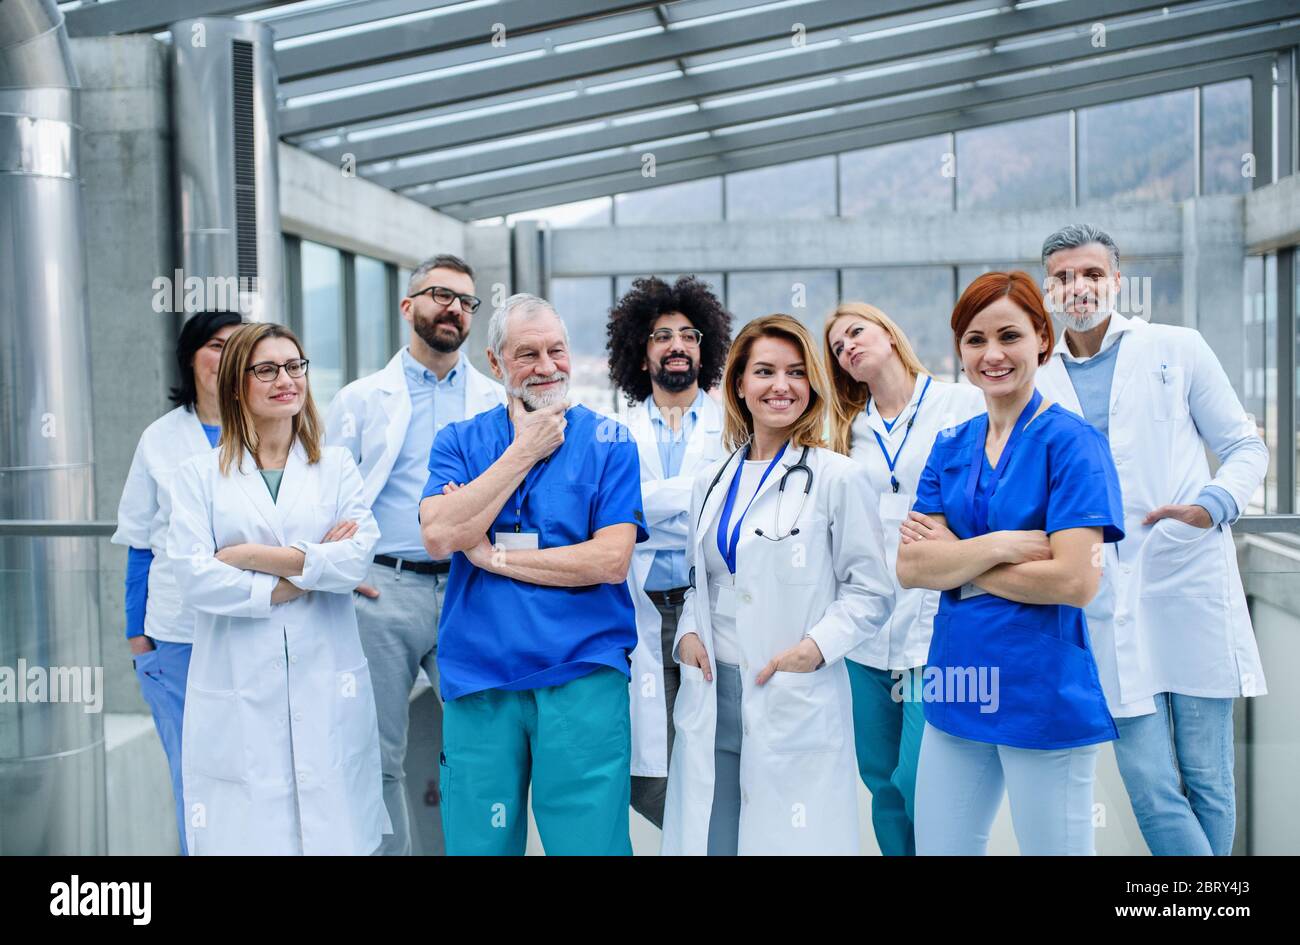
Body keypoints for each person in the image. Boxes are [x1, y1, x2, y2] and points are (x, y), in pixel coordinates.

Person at [1035, 223, 1268, 856]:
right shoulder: (1037, 375)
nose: (1076, 287)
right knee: (1149, 781)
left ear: (1116, 279)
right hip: (1100, 594)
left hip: (1185, 573)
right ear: (1047, 289)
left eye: (1090, 274)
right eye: (1061, 277)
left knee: (1208, 779)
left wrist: (1210, 506)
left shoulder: (1176, 347)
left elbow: (1245, 445)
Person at [897, 270, 1124, 856]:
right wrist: (1000, 545)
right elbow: (911, 567)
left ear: (1041, 340)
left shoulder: (1072, 444)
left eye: (1009, 336)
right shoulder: (950, 445)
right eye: (974, 340)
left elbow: (1075, 580)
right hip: (956, 682)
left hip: (1040, 688)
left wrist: (957, 561)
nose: (991, 354)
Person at [419, 293, 646, 856]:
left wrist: (493, 556)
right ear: (496, 364)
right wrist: (522, 452)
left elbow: (608, 560)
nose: (547, 367)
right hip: (481, 679)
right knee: (480, 845)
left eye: (557, 351)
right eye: (527, 354)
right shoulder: (460, 442)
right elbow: (440, 535)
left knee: (589, 846)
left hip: (581, 677)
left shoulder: (610, 442)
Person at [661, 314, 894, 856]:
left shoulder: (838, 476)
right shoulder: (710, 480)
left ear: (812, 384)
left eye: (795, 372)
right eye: (764, 371)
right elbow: (701, 579)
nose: (780, 386)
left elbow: (871, 591)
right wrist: (688, 634)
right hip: (713, 686)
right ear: (739, 384)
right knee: (712, 838)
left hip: (788, 687)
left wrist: (814, 651)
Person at [166, 323, 387, 855]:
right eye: (266, 369)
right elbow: (194, 576)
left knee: (333, 822)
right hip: (237, 679)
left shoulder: (335, 467)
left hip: (325, 673)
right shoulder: (198, 476)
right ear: (237, 384)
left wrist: (245, 558)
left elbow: (357, 553)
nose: (286, 379)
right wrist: (304, 575)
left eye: (295, 366)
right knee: (249, 831)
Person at [325, 253, 504, 855]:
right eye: (439, 295)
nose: (454, 309)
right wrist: (344, 575)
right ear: (409, 307)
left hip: (468, 590)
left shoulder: (495, 400)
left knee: (482, 751)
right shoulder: (358, 400)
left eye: (466, 301)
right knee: (376, 756)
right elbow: (325, 497)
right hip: (383, 593)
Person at [823, 302, 985, 856]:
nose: (847, 347)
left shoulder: (961, 404)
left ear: (890, 333)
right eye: (838, 348)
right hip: (866, 631)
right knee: (882, 780)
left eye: (855, 333)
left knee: (923, 780)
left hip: (937, 625)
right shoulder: (845, 431)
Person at [111, 310, 241, 855]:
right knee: (194, 776)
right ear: (191, 357)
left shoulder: (269, 428)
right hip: (176, 635)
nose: (227, 358)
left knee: (251, 772)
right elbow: (140, 543)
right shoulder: (160, 439)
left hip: (252, 624)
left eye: (239, 347)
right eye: (215, 346)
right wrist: (137, 636)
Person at [604, 275, 731, 829]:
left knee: (718, 750)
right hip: (641, 609)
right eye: (661, 335)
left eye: (689, 334)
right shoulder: (613, 432)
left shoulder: (736, 425)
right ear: (640, 352)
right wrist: (695, 493)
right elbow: (609, 514)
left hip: (713, 606)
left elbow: (728, 502)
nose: (677, 344)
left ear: (706, 350)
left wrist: (642, 509)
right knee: (648, 771)